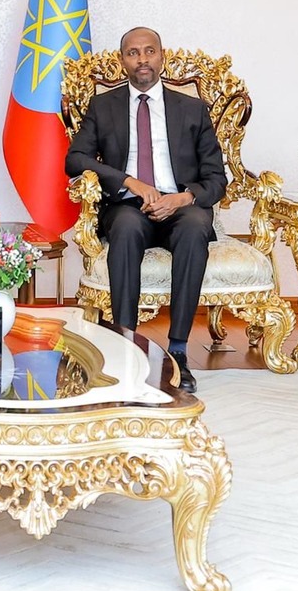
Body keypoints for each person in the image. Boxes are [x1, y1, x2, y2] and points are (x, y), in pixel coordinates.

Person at [63, 26, 226, 392]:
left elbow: (217, 180)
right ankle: (125, 342)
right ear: (122, 61)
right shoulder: (103, 106)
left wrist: (183, 198)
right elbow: (75, 159)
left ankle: (179, 350)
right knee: (124, 227)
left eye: (149, 51)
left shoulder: (193, 109)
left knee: (195, 226)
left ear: (161, 56)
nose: (142, 60)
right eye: (133, 53)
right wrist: (129, 181)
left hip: (179, 204)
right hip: (128, 206)